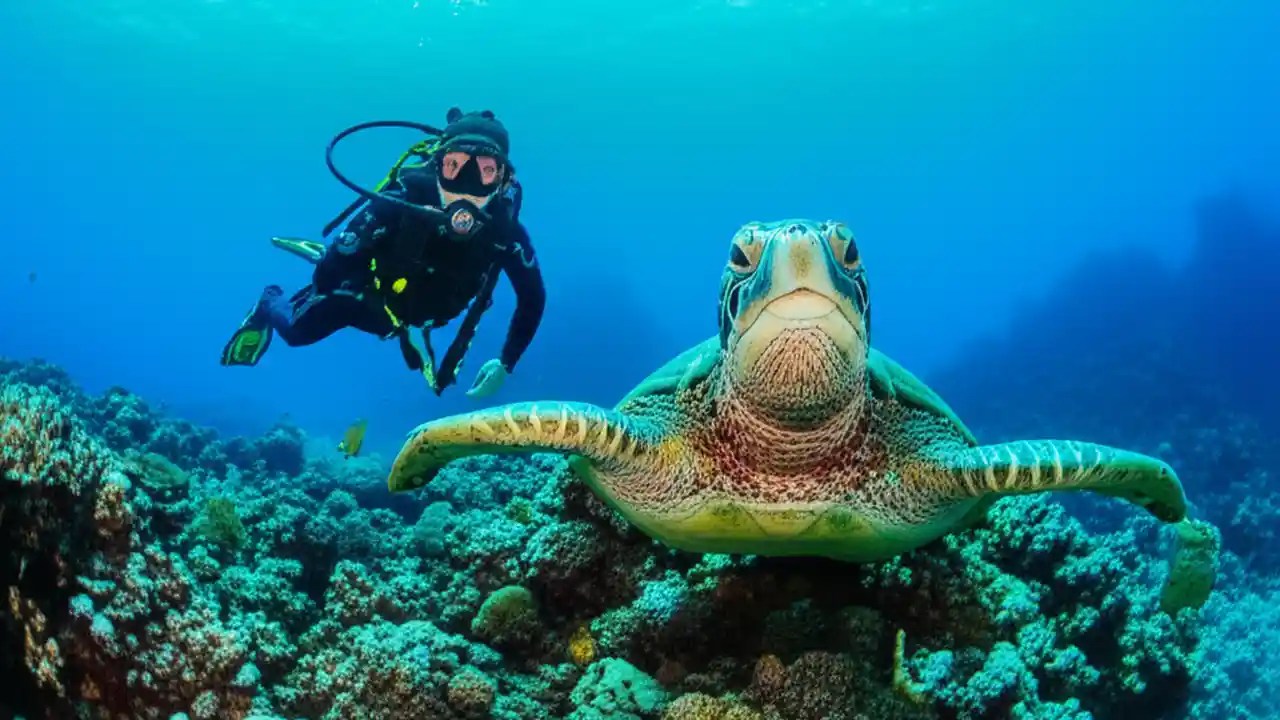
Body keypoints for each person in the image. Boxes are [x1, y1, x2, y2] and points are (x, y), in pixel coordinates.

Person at [219, 107, 545, 399]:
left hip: (423, 314)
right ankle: (267, 300)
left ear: (503, 181)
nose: (467, 187)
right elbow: (328, 275)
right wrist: (346, 259)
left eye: (487, 171)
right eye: (455, 167)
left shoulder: (506, 234)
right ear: (435, 167)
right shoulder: (398, 205)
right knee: (296, 333)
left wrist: (507, 362)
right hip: (370, 300)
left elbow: (533, 298)